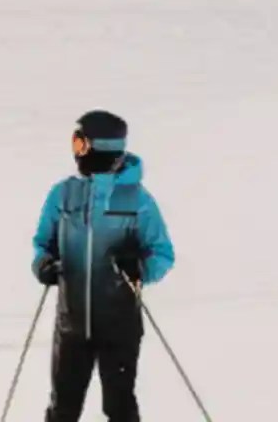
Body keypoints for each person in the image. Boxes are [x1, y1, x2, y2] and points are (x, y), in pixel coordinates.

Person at [31, 110, 175, 422]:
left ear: (100, 148)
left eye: (80, 144)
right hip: (72, 325)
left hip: (119, 325)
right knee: (62, 409)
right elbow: (42, 241)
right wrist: (43, 262)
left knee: (120, 407)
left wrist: (138, 268)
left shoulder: (136, 201)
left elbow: (162, 254)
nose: (76, 153)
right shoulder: (64, 194)